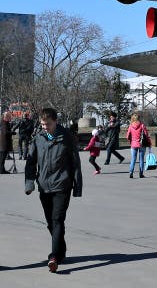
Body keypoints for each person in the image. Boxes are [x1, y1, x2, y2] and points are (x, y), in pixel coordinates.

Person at [24, 107, 82, 273]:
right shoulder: (38, 138)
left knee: (57, 220)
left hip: (62, 186)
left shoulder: (67, 137)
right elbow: (30, 162)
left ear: (55, 121)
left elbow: (75, 163)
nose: (44, 127)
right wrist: (29, 183)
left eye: (47, 124)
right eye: (42, 124)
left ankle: (54, 257)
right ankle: (61, 250)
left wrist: (77, 186)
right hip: (44, 186)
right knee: (51, 222)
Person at [126, 113, 150, 178]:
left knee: (133, 159)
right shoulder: (142, 125)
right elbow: (146, 135)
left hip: (133, 144)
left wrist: (131, 141)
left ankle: (131, 172)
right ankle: (141, 173)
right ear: (139, 118)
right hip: (142, 144)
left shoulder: (130, 126)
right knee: (141, 159)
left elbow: (127, 136)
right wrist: (149, 143)